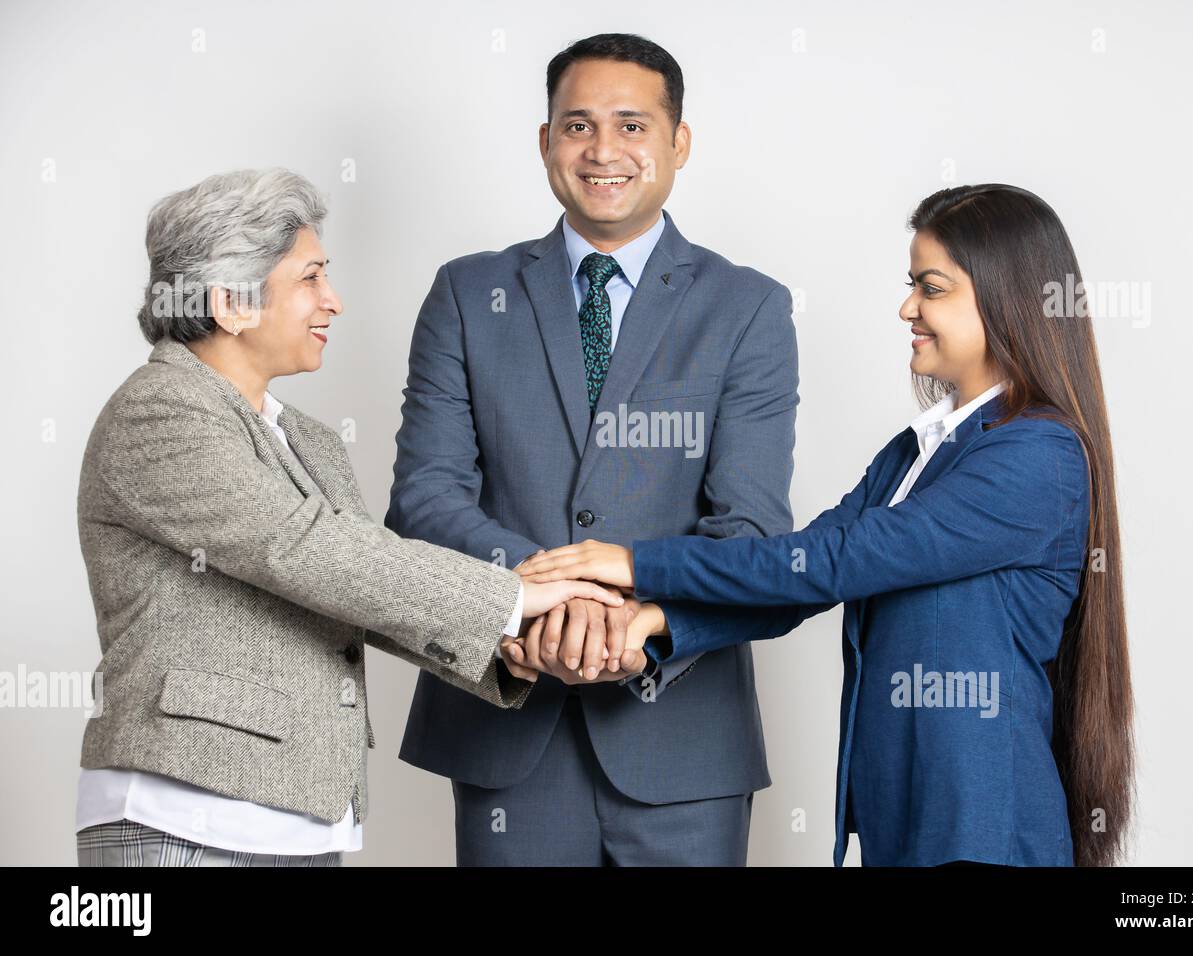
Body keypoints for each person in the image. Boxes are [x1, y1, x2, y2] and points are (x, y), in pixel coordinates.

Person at [517, 184, 1137, 867]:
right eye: (912, 286)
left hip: (982, 831)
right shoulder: (913, 453)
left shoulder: (1037, 457)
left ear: (1005, 298)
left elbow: (840, 556)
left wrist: (634, 563)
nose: (908, 308)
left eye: (931, 289)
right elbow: (805, 577)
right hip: (904, 821)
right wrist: (656, 621)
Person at [75, 168, 618, 867]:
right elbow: (308, 550)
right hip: (182, 817)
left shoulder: (308, 440)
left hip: (304, 816)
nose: (333, 301)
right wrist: (517, 598)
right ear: (231, 303)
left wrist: (511, 646)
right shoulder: (158, 411)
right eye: (310, 278)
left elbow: (354, 590)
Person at [392, 34, 799, 866]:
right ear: (546, 143)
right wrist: (545, 597)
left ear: (678, 144)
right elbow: (424, 498)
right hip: (509, 719)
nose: (604, 150)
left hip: (685, 739)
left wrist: (630, 616)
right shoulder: (469, 294)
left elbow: (751, 529)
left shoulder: (748, 307)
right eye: (577, 126)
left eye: (632, 126)